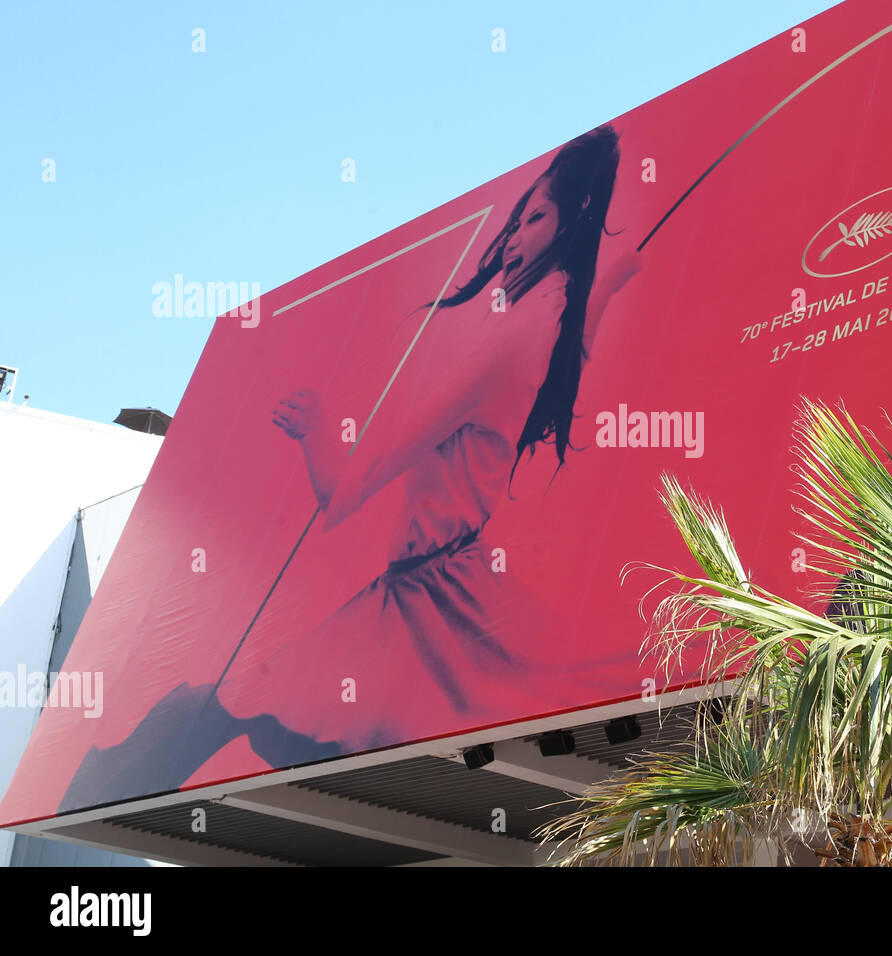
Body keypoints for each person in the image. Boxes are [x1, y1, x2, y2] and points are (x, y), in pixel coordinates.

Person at [58, 126, 640, 812]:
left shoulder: (506, 339)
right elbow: (615, 267)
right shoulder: (562, 321)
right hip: (443, 591)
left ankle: (84, 804)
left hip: (425, 607)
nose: (511, 238)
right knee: (261, 720)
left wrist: (313, 432)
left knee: (210, 705)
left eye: (533, 218)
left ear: (569, 219)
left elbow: (343, 491)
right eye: (514, 219)